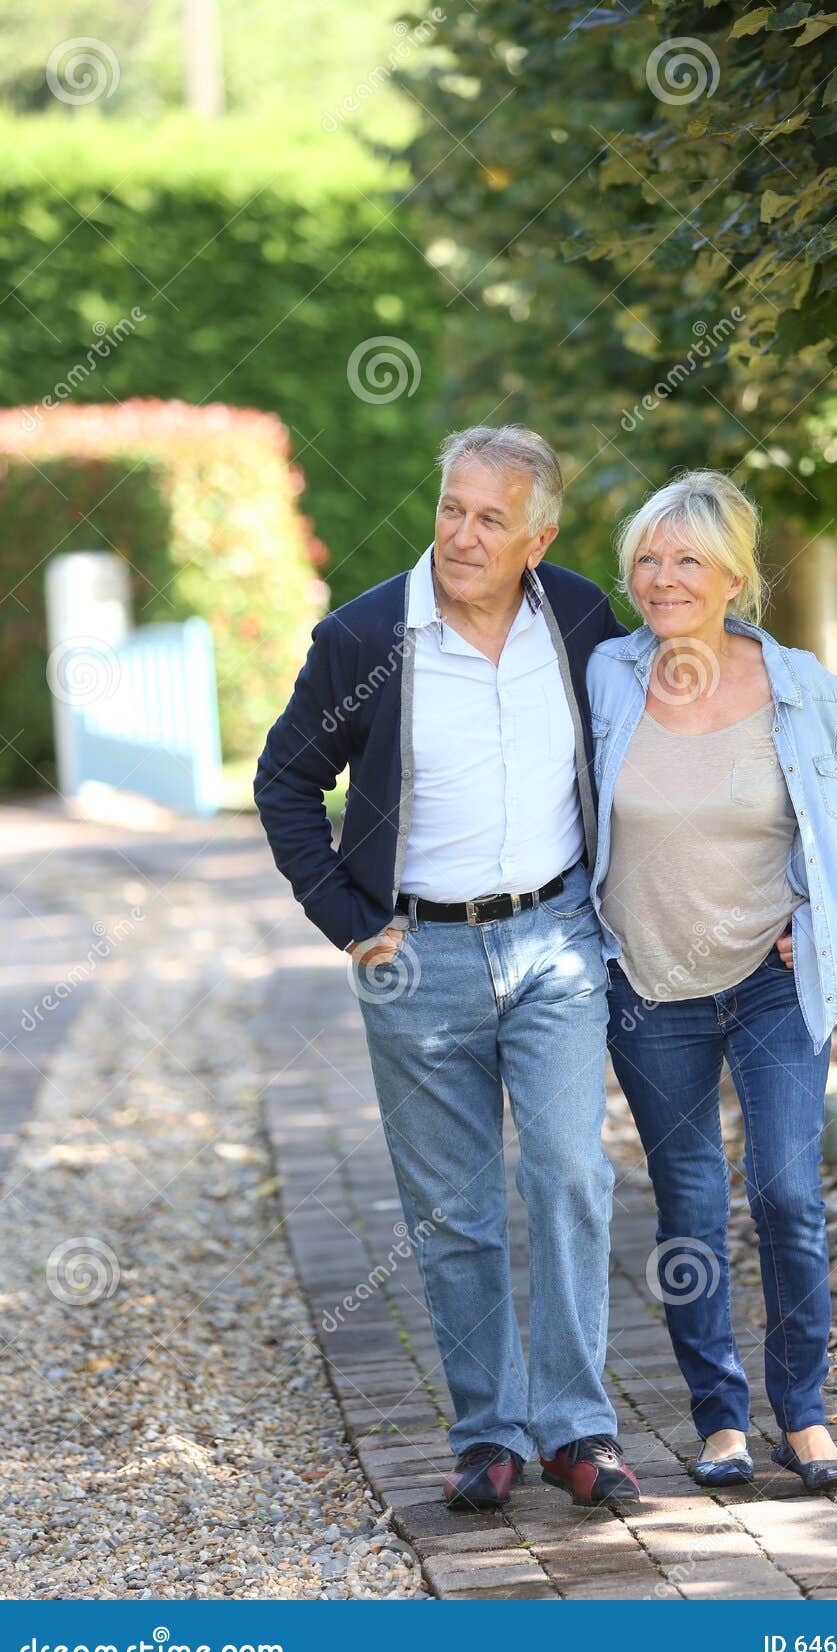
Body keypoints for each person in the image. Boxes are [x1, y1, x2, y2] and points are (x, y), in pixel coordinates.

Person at [255, 426, 640, 1511]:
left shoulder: (575, 617)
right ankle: (488, 1432)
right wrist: (346, 920)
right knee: (453, 1209)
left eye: (489, 518)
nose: (461, 535)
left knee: (568, 1174)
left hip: (555, 938)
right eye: (450, 508)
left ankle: (579, 1428)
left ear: (538, 537)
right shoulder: (365, 635)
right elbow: (284, 781)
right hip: (414, 958)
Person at [586, 469, 837, 1494]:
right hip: (647, 981)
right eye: (646, 556)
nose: (661, 576)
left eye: (685, 558)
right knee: (687, 1205)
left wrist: (818, 911)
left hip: (769, 976)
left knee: (783, 1191)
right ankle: (719, 1420)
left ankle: (802, 1416)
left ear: (730, 575)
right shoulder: (605, 675)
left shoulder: (797, 682)